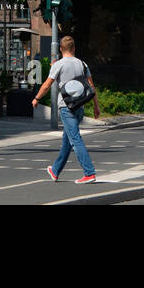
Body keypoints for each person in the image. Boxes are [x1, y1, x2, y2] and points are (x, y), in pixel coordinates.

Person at [31, 36, 100, 184]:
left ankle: (89, 173)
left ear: (61, 49)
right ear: (74, 48)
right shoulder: (82, 64)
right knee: (67, 141)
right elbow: (91, 86)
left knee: (75, 139)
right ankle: (55, 170)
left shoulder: (59, 65)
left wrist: (37, 98)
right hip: (80, 106)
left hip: (66, 107)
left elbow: (47, 84)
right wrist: (96, 106)